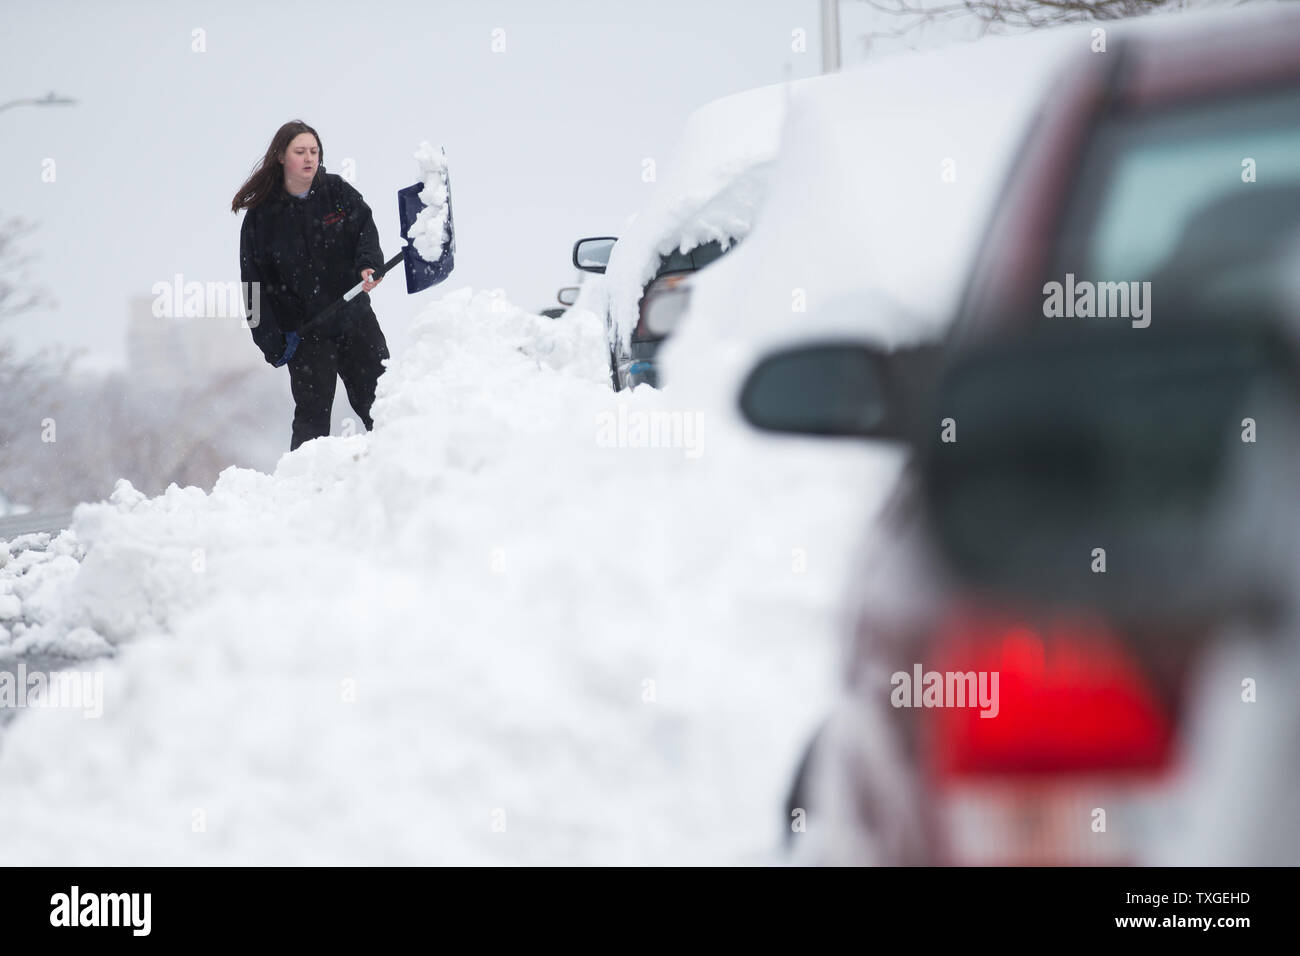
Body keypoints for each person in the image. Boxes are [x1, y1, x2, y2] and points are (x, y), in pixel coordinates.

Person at [232, 120, 390, 450]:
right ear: (280, 157)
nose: (309, 158)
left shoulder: (337, 193)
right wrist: (271, 342)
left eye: (314, 151)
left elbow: (364, 230)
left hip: (354, 319)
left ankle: (402, 465)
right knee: (312, 421)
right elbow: (252, 288)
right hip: (306, 335)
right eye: (300, 151)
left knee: (383, 403)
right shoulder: (261, 218)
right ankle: (302, 491)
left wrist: (368, 264)